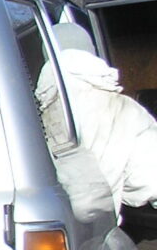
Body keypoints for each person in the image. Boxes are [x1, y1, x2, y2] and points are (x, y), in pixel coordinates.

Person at [42, 22, 157, 219]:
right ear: (92, 53)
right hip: (95, 230)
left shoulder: (25, 106)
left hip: (37, 224)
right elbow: (149, 181)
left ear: (47, 54)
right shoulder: (126, 110)